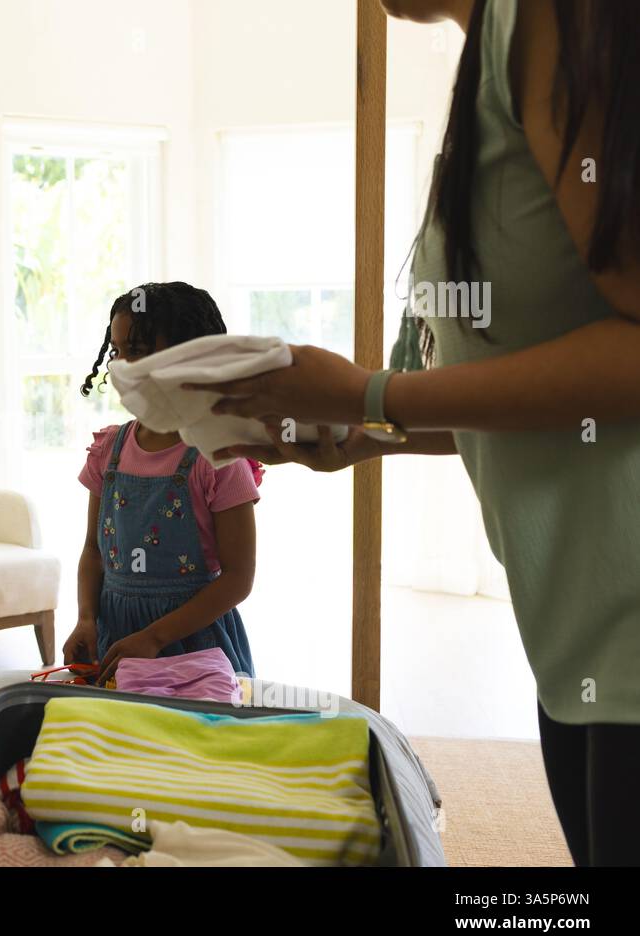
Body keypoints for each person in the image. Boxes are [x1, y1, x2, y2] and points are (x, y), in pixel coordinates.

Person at [197, 0, 640, 865]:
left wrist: (373, 390)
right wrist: (359, 427)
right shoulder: (485, 65)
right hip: (574, 635)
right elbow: (518, 392)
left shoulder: (548, 19)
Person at [63, 282, 262, 687]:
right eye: (116, 352)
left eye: (136, 351)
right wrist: (85, 618)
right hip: (116, 638)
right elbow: (93, 550)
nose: (120, 365)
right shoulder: (108, 450)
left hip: (195, 648)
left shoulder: (218, 457)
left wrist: (155, 637)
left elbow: (239, 578)